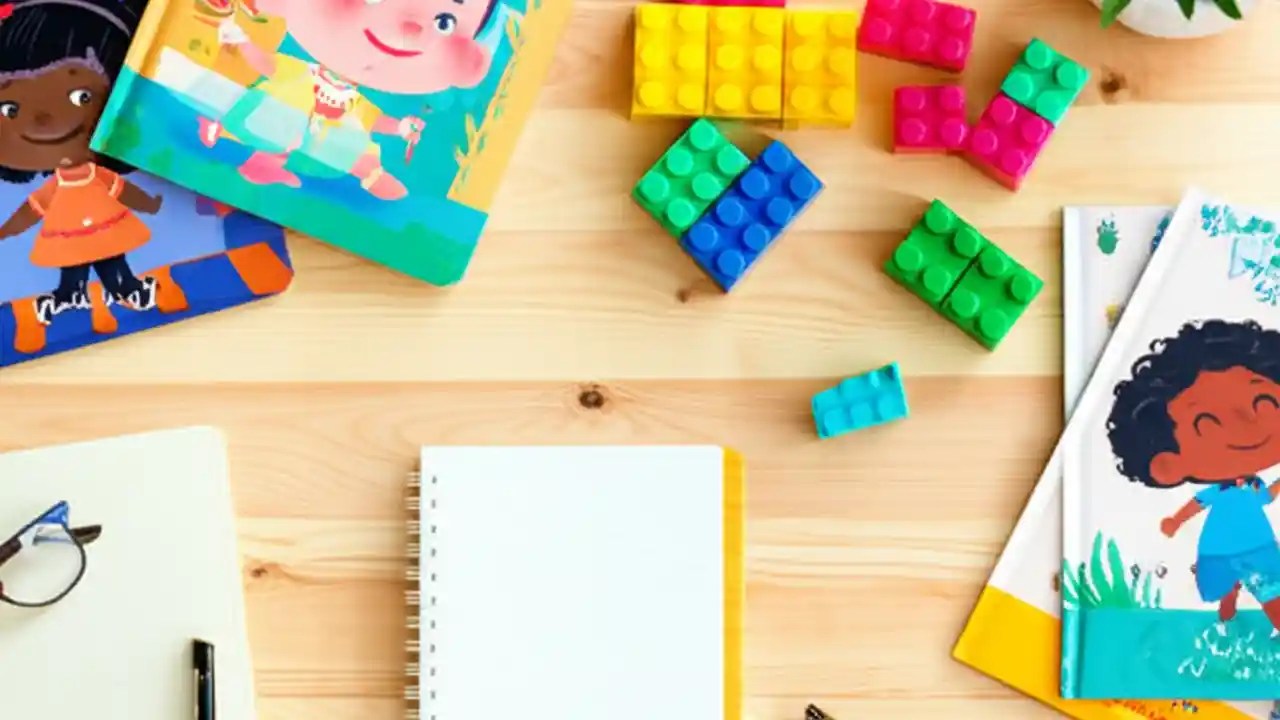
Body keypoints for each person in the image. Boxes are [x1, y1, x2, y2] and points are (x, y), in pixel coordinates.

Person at [1108, 319, 1280, 632]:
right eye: (1208, 421)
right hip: (1220, 547)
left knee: (1273, 589)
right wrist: (1175, 521)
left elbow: (1268, 495)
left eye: (1264, 403)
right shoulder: (1220, 491)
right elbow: (1197, 504)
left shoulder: (1253, 485)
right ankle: (1229, 598)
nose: (1246, 422)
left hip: (1259, 543)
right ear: (1168, 465)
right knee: (1225, 583)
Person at [0, 0, 163, 324]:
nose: (43, 121)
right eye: (10, 109)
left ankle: (123, 288)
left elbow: (121, 189)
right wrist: (7, 231)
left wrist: (150, 204)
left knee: (109, 258)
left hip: (102, 230)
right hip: (72, 236)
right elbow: (33, 207)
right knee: (79, 262)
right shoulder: (64, 183)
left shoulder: (95, 173)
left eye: (80, 98)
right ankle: (72, 294)